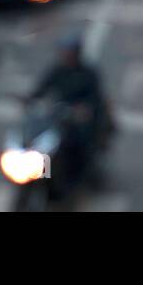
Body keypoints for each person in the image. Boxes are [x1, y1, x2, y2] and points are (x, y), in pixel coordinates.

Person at [29, 33, 111, 195]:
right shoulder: (58, 70)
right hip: (60, 114)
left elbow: (96, 98)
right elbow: (42, 88)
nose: (65, 55)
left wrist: (84, 109)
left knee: (81, 141)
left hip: (81, 118)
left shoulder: (88, 73)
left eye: (68, 52)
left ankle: (84, 171)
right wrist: (29, 99)